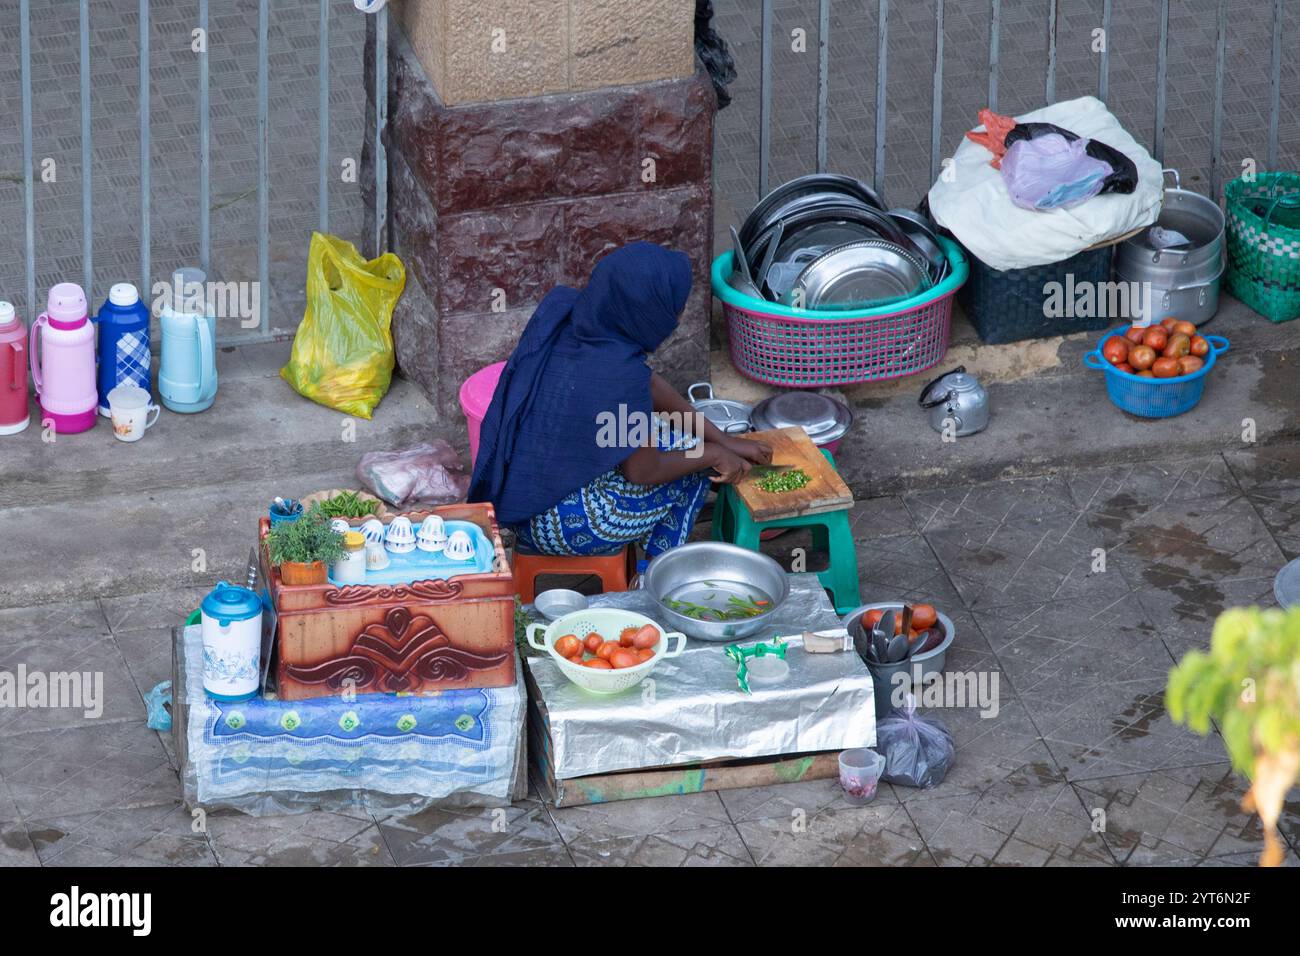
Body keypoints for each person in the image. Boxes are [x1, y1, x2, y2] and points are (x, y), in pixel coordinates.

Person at [468, 242, 771, 558]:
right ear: (650, 315)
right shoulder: (620, 375)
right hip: (567, 527)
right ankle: (654, 572)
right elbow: (641, 471)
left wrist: (725, 440)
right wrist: (713, 454)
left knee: (677, 438)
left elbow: (649, 385)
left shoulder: (574, 318)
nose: (677, 318)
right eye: (675, 309)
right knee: (693, 468)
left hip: (519, 503)